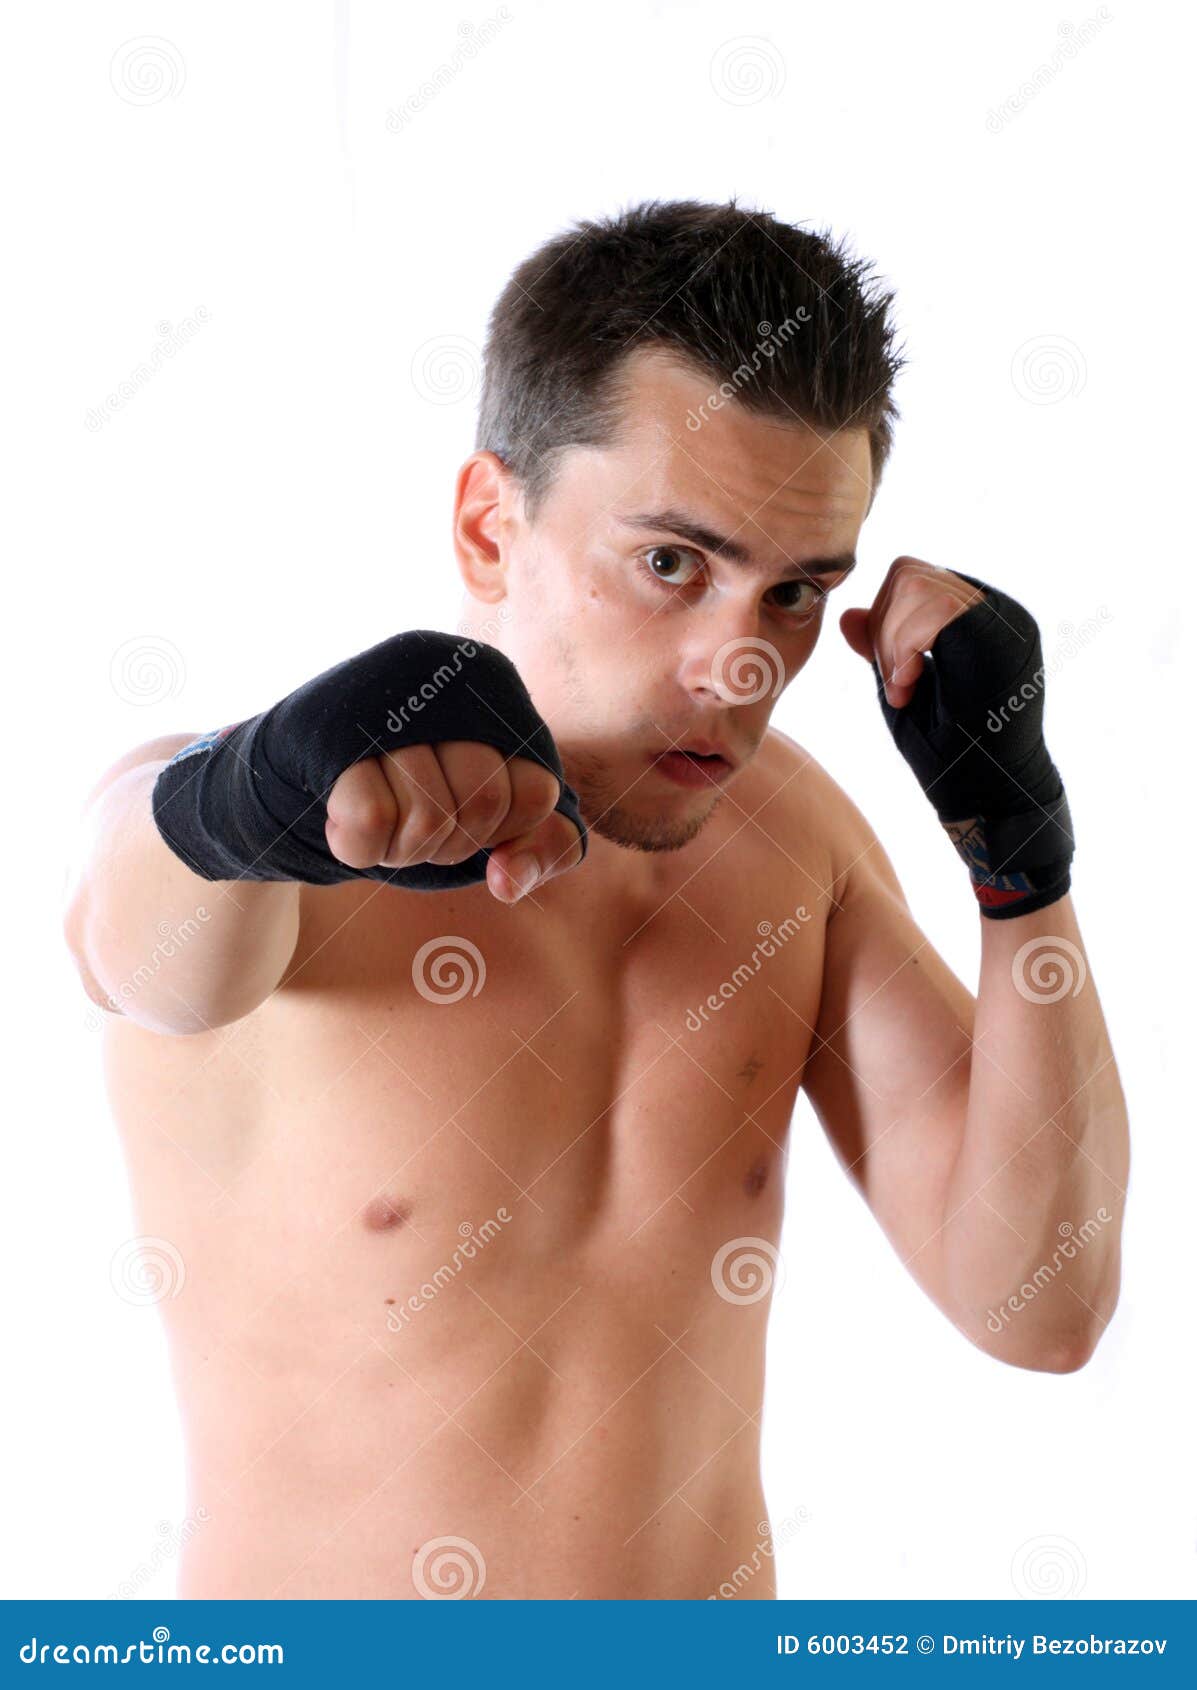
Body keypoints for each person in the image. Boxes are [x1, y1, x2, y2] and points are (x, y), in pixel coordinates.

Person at [63, 199, 1128, 1601]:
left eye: (796, 594)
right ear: (488, 526)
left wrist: (1021, 855)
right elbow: (140, 935)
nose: (736, 667)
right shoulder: (279, 828)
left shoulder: (791, 837)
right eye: (672, 563)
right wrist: (249, 796)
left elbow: (1037, 1304)